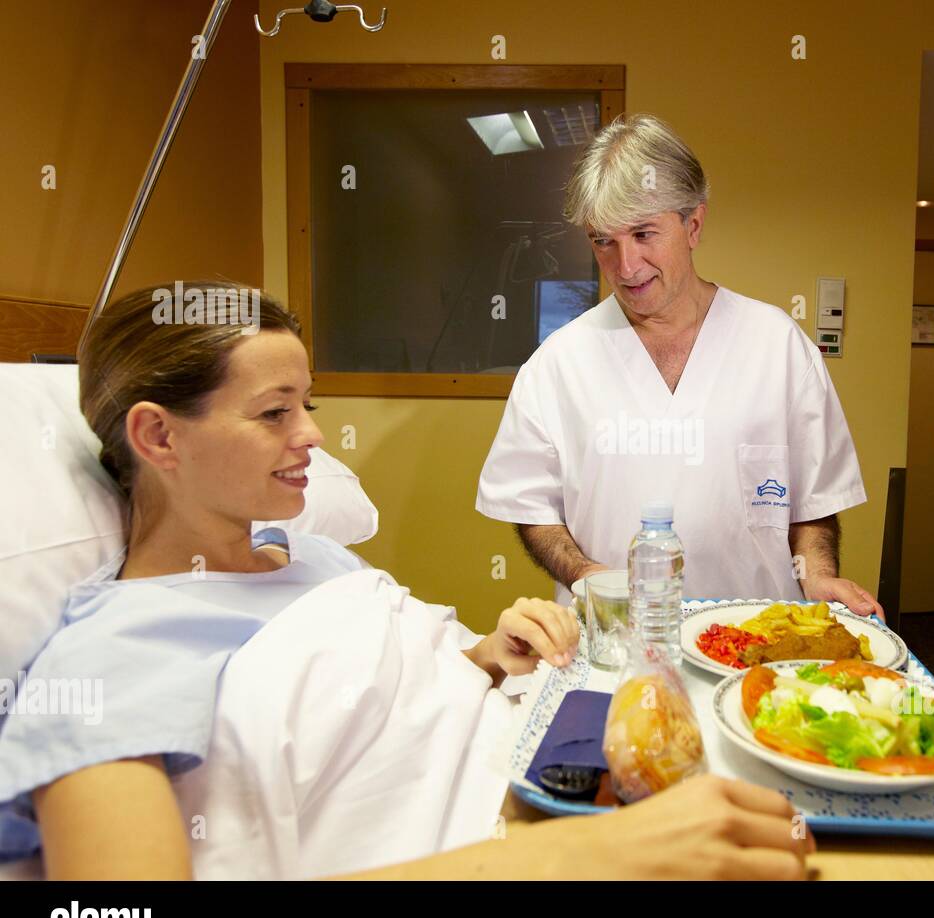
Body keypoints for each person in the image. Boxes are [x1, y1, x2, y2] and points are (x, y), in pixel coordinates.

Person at [0, 282, 812, 880]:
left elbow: (389, 708)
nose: (313, 435)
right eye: (275, 412)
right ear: (157, 436)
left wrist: (486, 656)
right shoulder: (113, 657)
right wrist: (577, 856)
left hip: (563, 785)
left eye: (308, 404)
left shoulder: (309, 557)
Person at [476, 114, 883, 617]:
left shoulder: (777, 346)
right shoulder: (558, 363)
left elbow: (812, 502)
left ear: (693, 225)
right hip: (615, 635)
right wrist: (585, 573)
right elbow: (531, 507)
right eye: (603, 241)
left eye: (644, 233)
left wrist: (817, 576)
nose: (626, 266)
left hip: (755, 631)